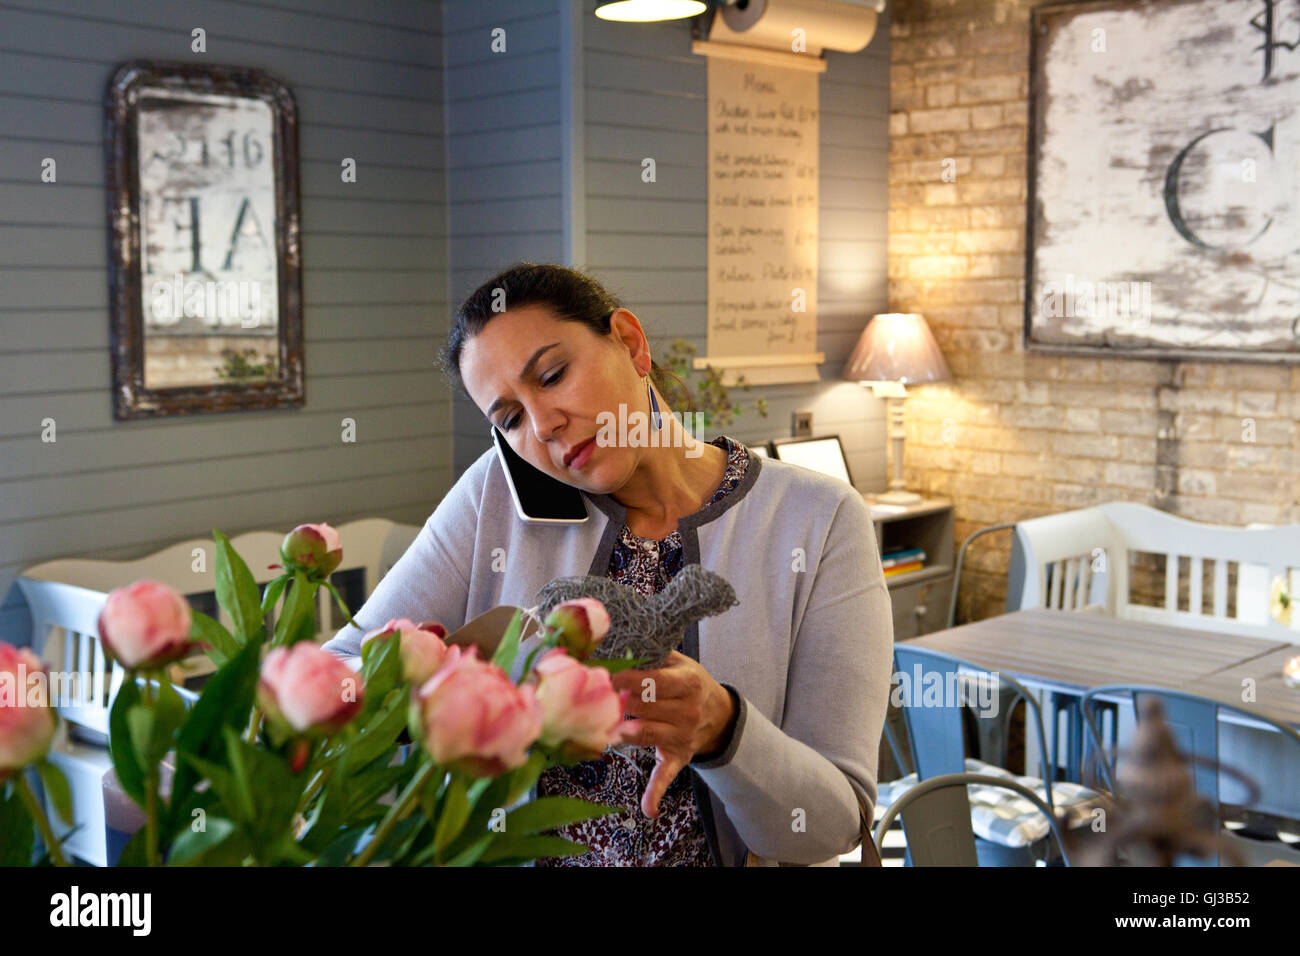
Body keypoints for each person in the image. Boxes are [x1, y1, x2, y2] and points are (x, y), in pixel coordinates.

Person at [322, 261, 894, 866]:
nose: (543, 425)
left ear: (630, 342)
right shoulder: (493, 496)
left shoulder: (818, 518)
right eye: (509, 419)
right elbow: (338, 673)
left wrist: (725, 731)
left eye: (552, 374)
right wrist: (462, 678)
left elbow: (833, 826)